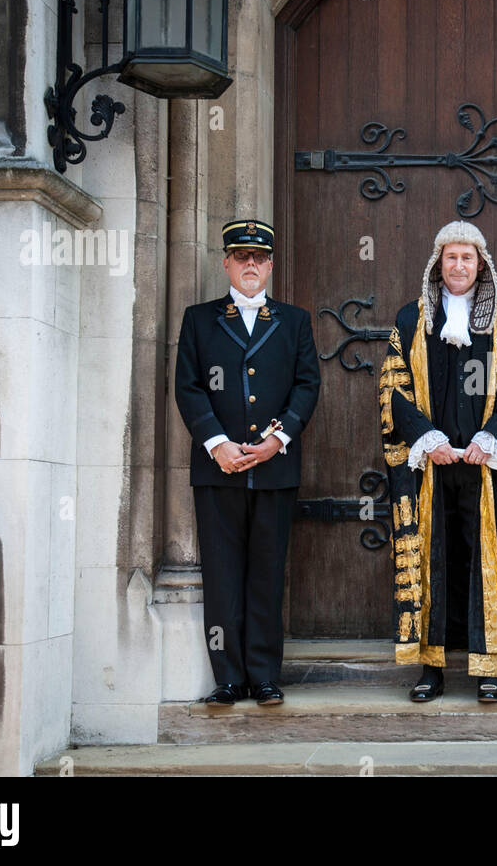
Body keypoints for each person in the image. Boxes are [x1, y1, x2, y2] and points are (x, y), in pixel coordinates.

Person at [378, 220, 497, 703]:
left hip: (484, 466)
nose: (458, 265)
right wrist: (426, 438)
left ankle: (492, 666)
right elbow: (393, 388)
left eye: (467, 258)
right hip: (430, 465)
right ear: (438, 263)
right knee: (434, 562)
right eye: (450, 257)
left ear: (481, 265)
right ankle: (431, 668)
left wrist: (492, 437)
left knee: (486, 561)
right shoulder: (411, 319)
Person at [174, 219, 321, 707]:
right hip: (216, 470)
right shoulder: (199, 319)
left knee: (266, 574)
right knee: (221, 577)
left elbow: (307, 385)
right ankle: (228, 679)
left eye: (259, 258)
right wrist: (217, 444)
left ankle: (264, 677)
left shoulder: (294, 321)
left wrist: (278, 439)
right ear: (226, 264)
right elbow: (188, 386)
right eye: (241, 257)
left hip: (275, 470)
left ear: (271, 265)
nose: (250, 264)